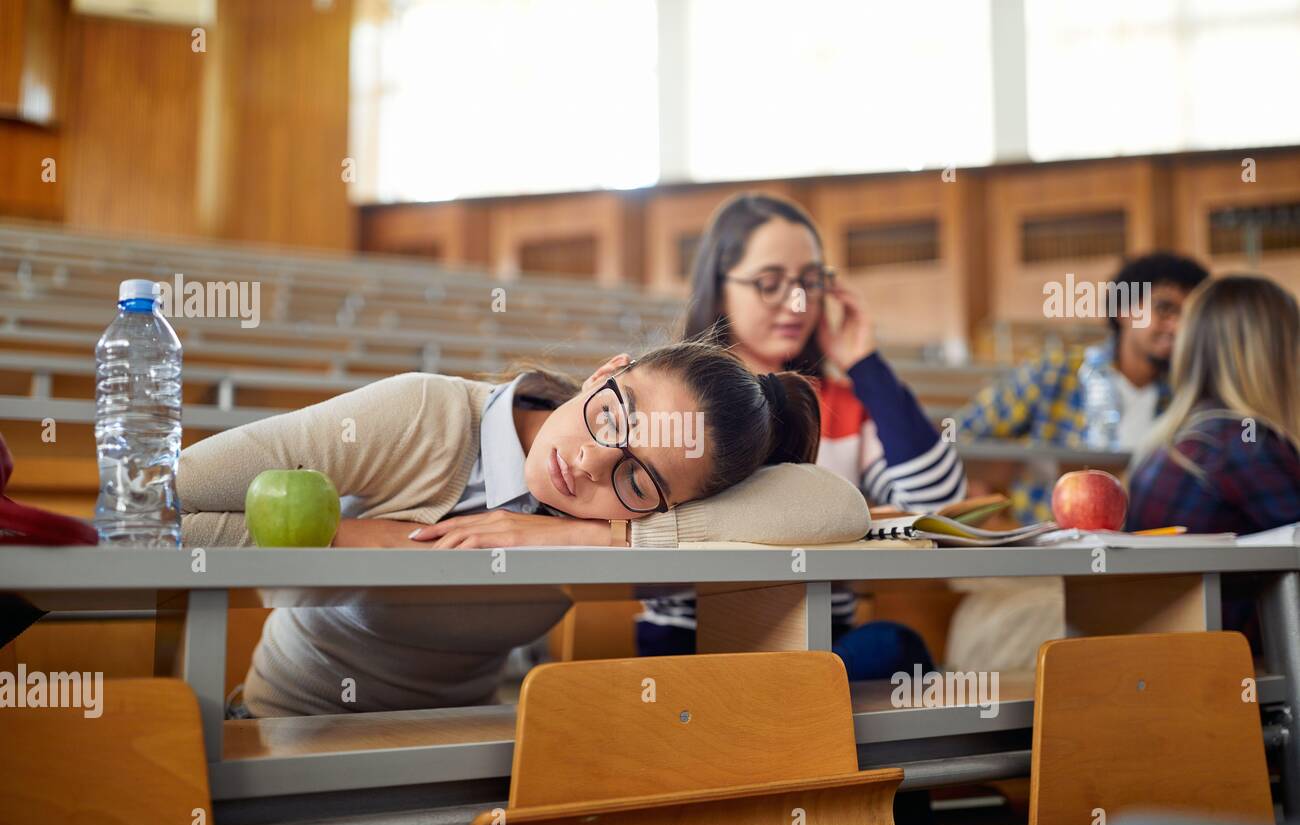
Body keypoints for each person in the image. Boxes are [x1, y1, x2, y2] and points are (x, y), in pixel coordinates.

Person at [178, 340, 864, 717]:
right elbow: (159, 502)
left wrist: (590, 537)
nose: (592, 462)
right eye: (612, 416)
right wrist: (366, 541)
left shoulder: (633, 525)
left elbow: (836, 509)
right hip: (291, 736)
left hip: (456, 762)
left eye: (636, 478)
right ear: (607, 371)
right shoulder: (426, 416)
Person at [638, 193, 966, 672]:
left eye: (811, 283)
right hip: (697, 641)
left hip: (825, 643)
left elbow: (938, 504)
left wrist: (865, 365)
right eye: (769, 283)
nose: (797, 303)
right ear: (720, 287)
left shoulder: (844, 404)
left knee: (894, 651)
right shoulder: (672, 395)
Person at [957, 252, 1209, 524]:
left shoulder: (1189, 395)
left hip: (1149, 544)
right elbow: (963, 433)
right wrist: (991, 508)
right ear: (1124, 310)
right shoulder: (1057, 373)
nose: (1177, 325)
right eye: (1164, 308)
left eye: (1189, 315)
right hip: (1054, 545)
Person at [1127, 274, 1300, 639]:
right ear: (1277, 356)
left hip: (1161, 662)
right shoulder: (1245, 446)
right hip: (1236, 667)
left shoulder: (1174, 441)